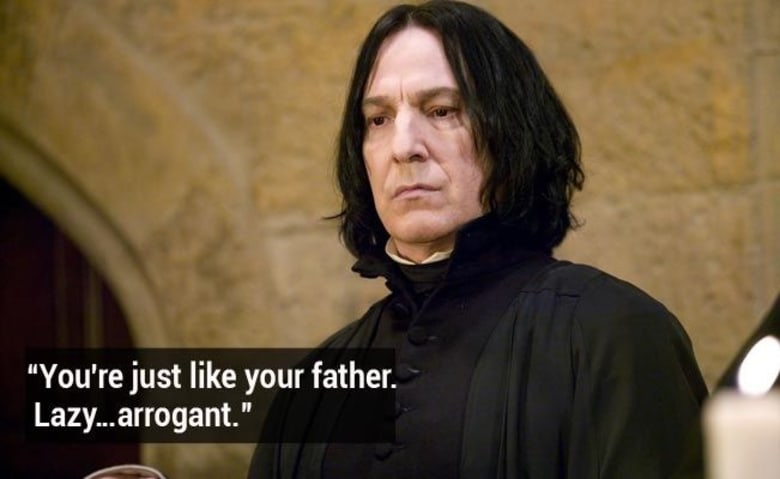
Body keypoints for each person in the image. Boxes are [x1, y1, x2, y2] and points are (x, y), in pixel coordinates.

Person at [249, 1, 708, 477]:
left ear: (512, 133)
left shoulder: (614, 333)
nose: (403, 147)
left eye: (441, 110)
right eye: (378, 119)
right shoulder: (316, 381)